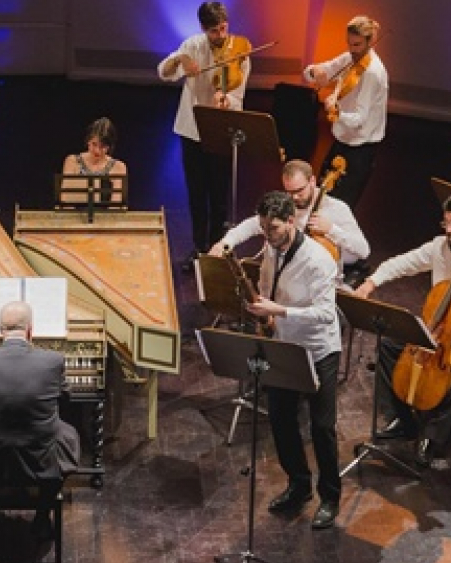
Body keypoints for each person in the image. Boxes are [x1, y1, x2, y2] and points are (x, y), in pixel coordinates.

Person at [353, 193, 451, 467]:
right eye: (447, 223)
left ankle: (433, 435)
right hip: (440, 323)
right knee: (389, 348)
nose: (450, 230)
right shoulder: (440, 246)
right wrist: (371, 282)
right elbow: (403, 263)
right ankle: (402, 420)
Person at [242, 191, 344, 529]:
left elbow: (326, 315)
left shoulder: (318, 260)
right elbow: (267, 284)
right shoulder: (272, 248)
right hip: (285, 344)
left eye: (272, 228)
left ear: (291, 222)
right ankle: (299, 486)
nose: (267, 235)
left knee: (322, 428)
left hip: (318, 350)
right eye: (264, 228)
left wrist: (279, 310)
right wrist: (263, 311)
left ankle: (330, 496)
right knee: (281, 420)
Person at [0, 300, 81, 532]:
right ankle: (42, 515)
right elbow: (65, 400)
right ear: (31, 330)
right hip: (39, 448)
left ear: (0, 330)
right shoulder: (52, 361)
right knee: (67, 433)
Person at [159, 1, 247, 265]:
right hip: (191, 129)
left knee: (219, 195)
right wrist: (179, 59)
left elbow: (237, 96)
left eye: (223, 29)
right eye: (213, 32)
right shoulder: (193, 45)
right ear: (203, 29)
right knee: (196, 193)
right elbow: (164, 73)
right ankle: (198, 248)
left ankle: (217, 250)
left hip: (219, 130)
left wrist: (226, 101)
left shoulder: (240, 51)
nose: (220, 37)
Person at [208, 159, 370, 287]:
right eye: (289, 192)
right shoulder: (286, 206)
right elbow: (253, 224)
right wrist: (225, 243)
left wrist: (332, 229)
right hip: (285, 279)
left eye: (299, 191)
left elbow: (363, 251)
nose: (294, 198)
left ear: (312, 181)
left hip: (320, 284)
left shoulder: (337, 209)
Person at [303, 15, 387, 208]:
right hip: (342, 140)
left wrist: (337, 112)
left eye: (357, 45)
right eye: (349, 44)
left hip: (360, 148)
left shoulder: (373, 73)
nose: (352, 50)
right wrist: (315, 72)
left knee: (341, 207)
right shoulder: (349, 58)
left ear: (371, 41)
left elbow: (360, 118)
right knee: (319, 197)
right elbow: (320, 69)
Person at [59, 117, 128, 206]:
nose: (97, 151)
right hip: (75, 217)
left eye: (102, 147)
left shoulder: (118, 167)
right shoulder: (73, 161)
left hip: (107, 218)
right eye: (94, 144)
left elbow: (116, 206)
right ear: (88, 141)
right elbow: (65, 199)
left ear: (109, 147)